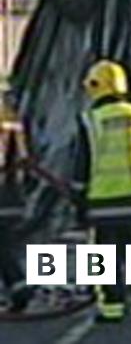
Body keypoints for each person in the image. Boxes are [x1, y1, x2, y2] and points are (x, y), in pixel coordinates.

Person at [78, 60, 131, 323]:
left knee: (104, 255)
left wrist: (78, 198)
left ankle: (111, 308)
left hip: (102, 200)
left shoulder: (91, 120)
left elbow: (82, 163)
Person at [0, 94, 33, 313]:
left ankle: (19, 286)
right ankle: (18, 287)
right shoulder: (12, 121)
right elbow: (24, 159)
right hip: (13, 196)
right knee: (5, 247)